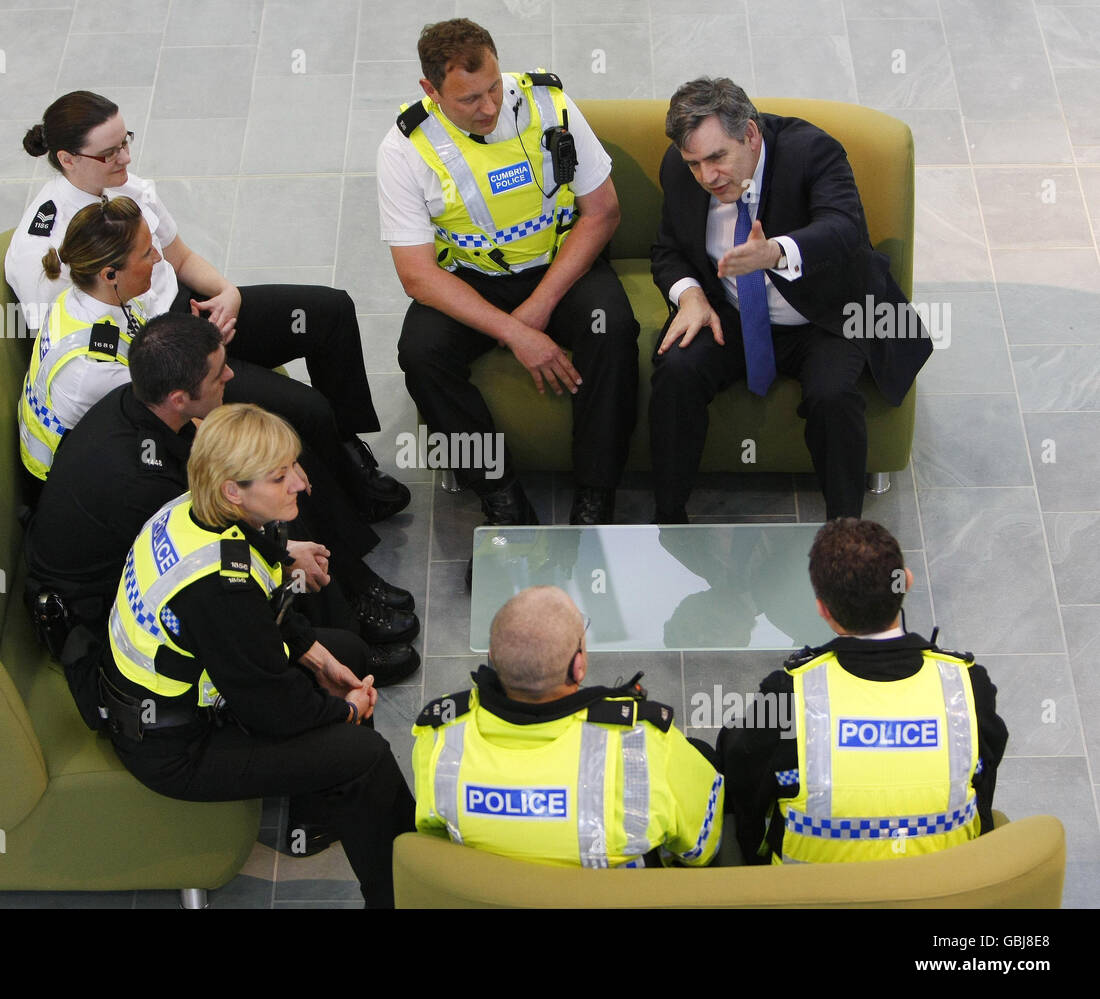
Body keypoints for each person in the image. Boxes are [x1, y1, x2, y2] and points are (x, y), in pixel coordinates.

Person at [9, 90, 408, 521]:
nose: (125, 157)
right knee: (306, 408)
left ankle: (347, 451)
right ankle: (335, 503)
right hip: (160, 357)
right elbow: (92, 350)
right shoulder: (43, 252)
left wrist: (227, 293)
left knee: (328, 312)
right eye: (110, 153)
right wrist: (194, 355)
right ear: (68, 159)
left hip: (190, 312)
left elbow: (177, 258)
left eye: (127, 141)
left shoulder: (125, 186)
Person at [101, 403, 416, 907]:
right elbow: (274, 705)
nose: (299, 483)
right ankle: (402, 894)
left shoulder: (193, 510)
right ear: (234, 489)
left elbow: (267, 599)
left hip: (197, 691)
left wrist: (317, 657)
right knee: (365, 758)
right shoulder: (214, 590)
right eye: (279, 476)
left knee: (348, 651)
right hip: (175, 746)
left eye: (293, 465)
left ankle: (320, 815)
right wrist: (347, 711)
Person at [24, 311, 420, 691]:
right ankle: (350, 642)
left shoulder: (143, 402)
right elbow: (199, 552)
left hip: (145, 545)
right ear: (180, 397)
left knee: (279, 484)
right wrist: (280, 553)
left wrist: (279, 469)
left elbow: (205, 451)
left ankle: (353, 588)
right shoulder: (138, 483)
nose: (230, 375)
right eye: (218, 374)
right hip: (104, 603)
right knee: (273, 525)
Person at [378, 19, 638, 529]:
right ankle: (500, 495)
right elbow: (418, 276)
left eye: (494, 87)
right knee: (420, 355)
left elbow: (602, 212)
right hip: (473, 279)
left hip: (560, 264)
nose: (490, 107)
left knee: (614, 330)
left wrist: (539, 306)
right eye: (469, 99)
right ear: (430, 91)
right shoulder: (404, 149)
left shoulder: (549, 105)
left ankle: (597, 491)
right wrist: (516, 333)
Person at [649, 77, 933, 523]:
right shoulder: (679, 168)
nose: (707, 177)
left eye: (717, 158)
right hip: (732, 312)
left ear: (750, 135)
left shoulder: (812, 150)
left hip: (825, 314)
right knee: (676, 370)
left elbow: (843, 228)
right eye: (694, 164)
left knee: (831, 394)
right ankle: (667, 519)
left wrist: (775, 252)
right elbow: (668, 249)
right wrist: (690, 296)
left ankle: (845, 530)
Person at [717, 519, 1008, 865]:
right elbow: (983, 787)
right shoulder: (967, 686)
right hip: (941, 891)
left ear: (823, 608)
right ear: (907, 582)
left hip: (810, 897)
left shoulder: (788, 694)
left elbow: (743, 773)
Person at [411, 586, 723, 868]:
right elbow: (701, 848)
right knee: (702, 753)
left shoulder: (439, 735)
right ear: (579, 665)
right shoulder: (643, 742)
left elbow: (436, 837)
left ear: (493, 658)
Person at [18, 196, 157, 481]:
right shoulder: (92, 367)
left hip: (102, 439)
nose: (157, 256)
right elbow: (170, 405)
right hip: (69, 480)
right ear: (109, 275)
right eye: (146, 253)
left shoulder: (76, 299)